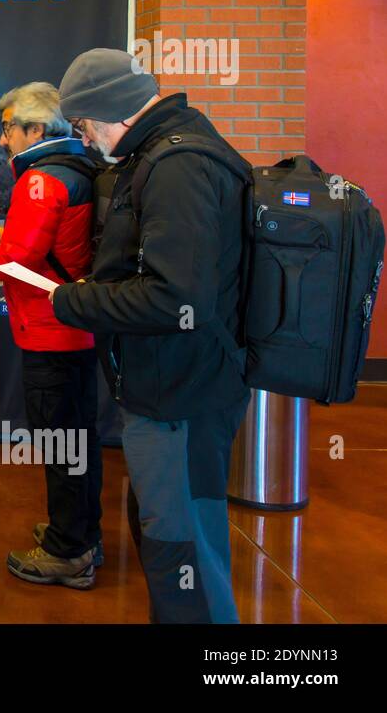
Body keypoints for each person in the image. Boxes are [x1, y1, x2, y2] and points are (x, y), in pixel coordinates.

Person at [48, 48, 252, 623]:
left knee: (181, 546)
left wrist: (74, 299)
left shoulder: (177, 166)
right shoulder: (169, 153)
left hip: (178, 394)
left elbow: (176, 297)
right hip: (173, 386)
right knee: (173, 537)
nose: (84, 140)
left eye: (84, 126)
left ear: (114, 112)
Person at [0, 82, 103, 590]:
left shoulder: (41, 181)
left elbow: (18, 258)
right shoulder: (80, 168)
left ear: (36, 129)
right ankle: (82, 533)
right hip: (79, 328)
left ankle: (68, 553)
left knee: (61, 442)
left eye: (7, 129)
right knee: (79, 438)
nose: (3, 141)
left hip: (51, 333)